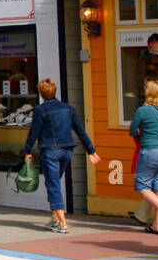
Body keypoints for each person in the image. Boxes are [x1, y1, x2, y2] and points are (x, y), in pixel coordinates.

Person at [23, 78, 101, 233]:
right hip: (67, 149)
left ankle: (62, 223)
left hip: (50, 150)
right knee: (55, 182)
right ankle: (54, 218)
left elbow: (34, 133)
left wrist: (27, 151)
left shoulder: (40, 110)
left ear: (41, 93)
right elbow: (80, 131)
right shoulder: (68, 108)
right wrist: (91, 150)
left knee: (53, 185)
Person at [129, 77, 158, 235]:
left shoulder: (142, 111)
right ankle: (157, 226)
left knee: (142, 186)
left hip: (150, 150)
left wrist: (141, 131)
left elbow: (132, 131)